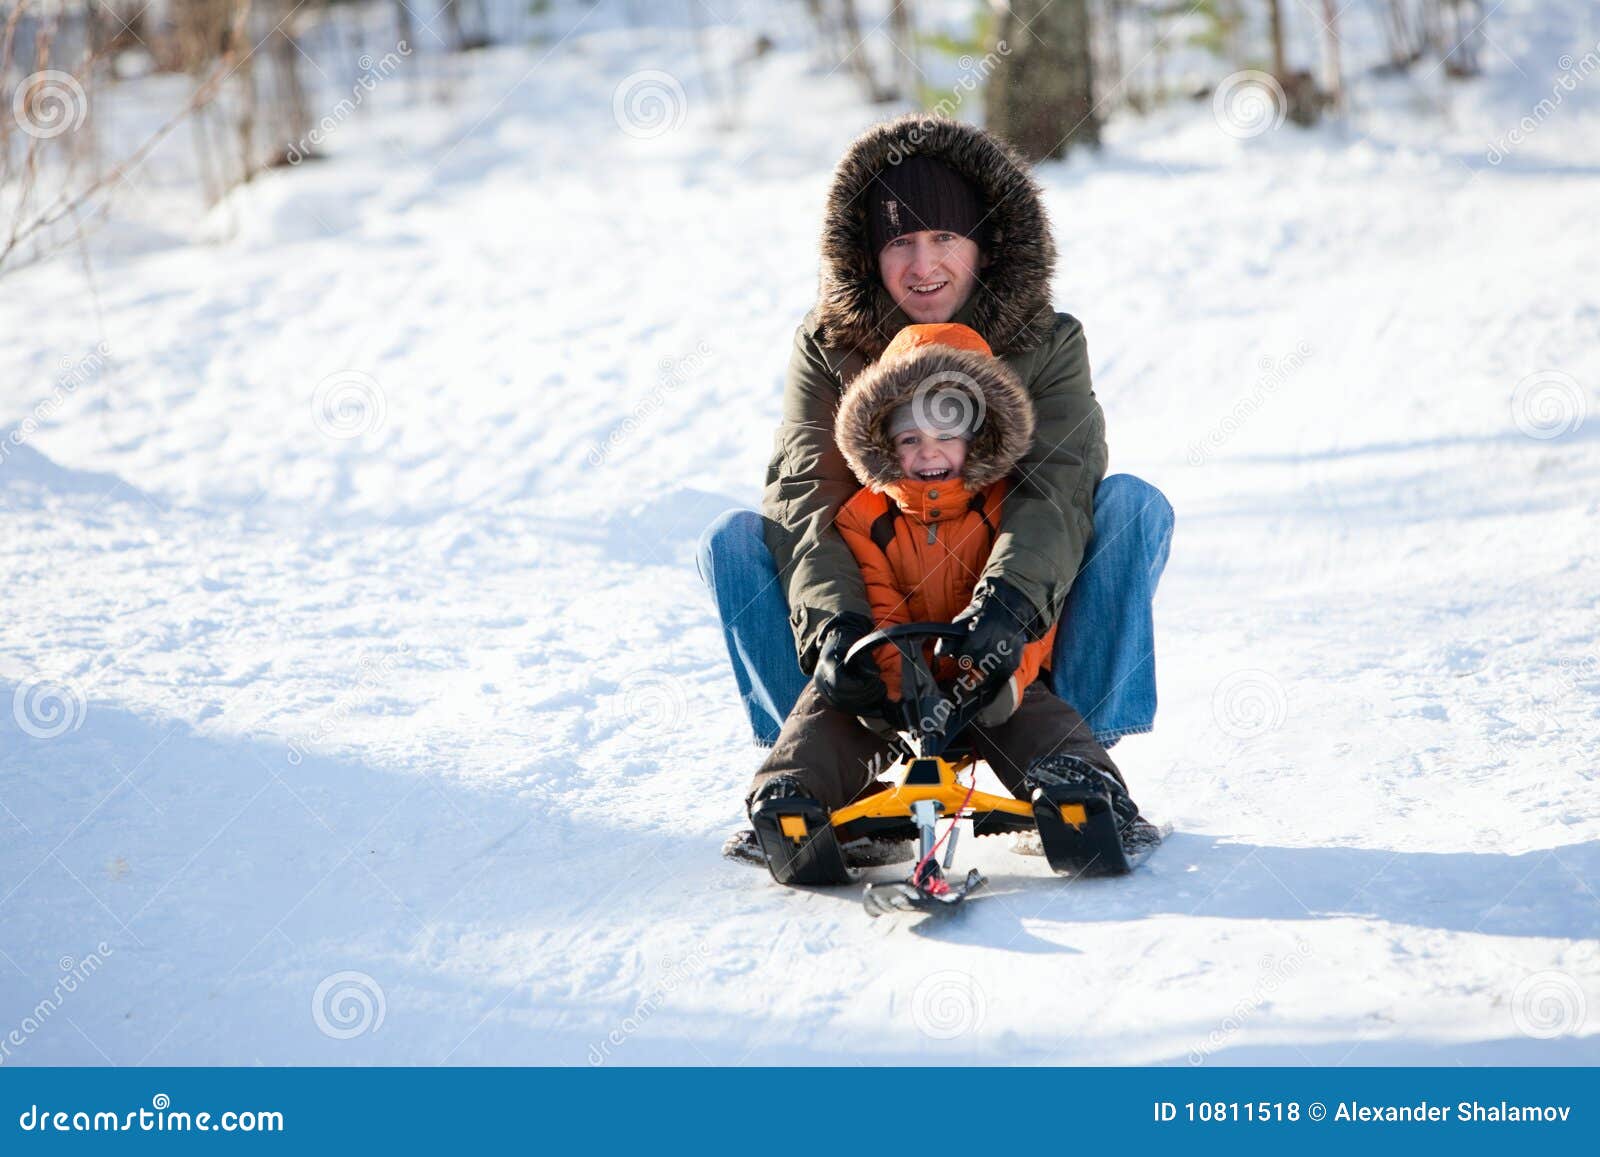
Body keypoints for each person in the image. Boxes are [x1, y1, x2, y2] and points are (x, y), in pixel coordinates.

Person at [696, 113, 1173, 758]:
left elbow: (1056, 491)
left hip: (1011, 633)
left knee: (1130, 507)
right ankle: (818, 763)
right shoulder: (830, 345)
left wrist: (1007, 606)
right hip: (879, 620)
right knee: (733, 543)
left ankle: (1078, 756)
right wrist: (838, 626)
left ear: (985, 243)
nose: (923, 265)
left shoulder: (1049, 341)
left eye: (945, 235)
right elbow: (809, 494)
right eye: (899, 242)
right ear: (870, 254)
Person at [740, 321, 1140, 841]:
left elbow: (1036, 614)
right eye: (910, 439)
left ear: (979, 439)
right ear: (883, 443)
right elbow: (876, 603)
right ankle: (792, 799)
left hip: (991, 679)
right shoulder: (865, 518)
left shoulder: (1004, 508)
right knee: (827, 712)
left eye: (946, 436)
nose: (929, 454)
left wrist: (1004, 673)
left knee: (1037, 719)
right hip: (891, 689)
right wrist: (879, 678)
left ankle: (1082, 791)